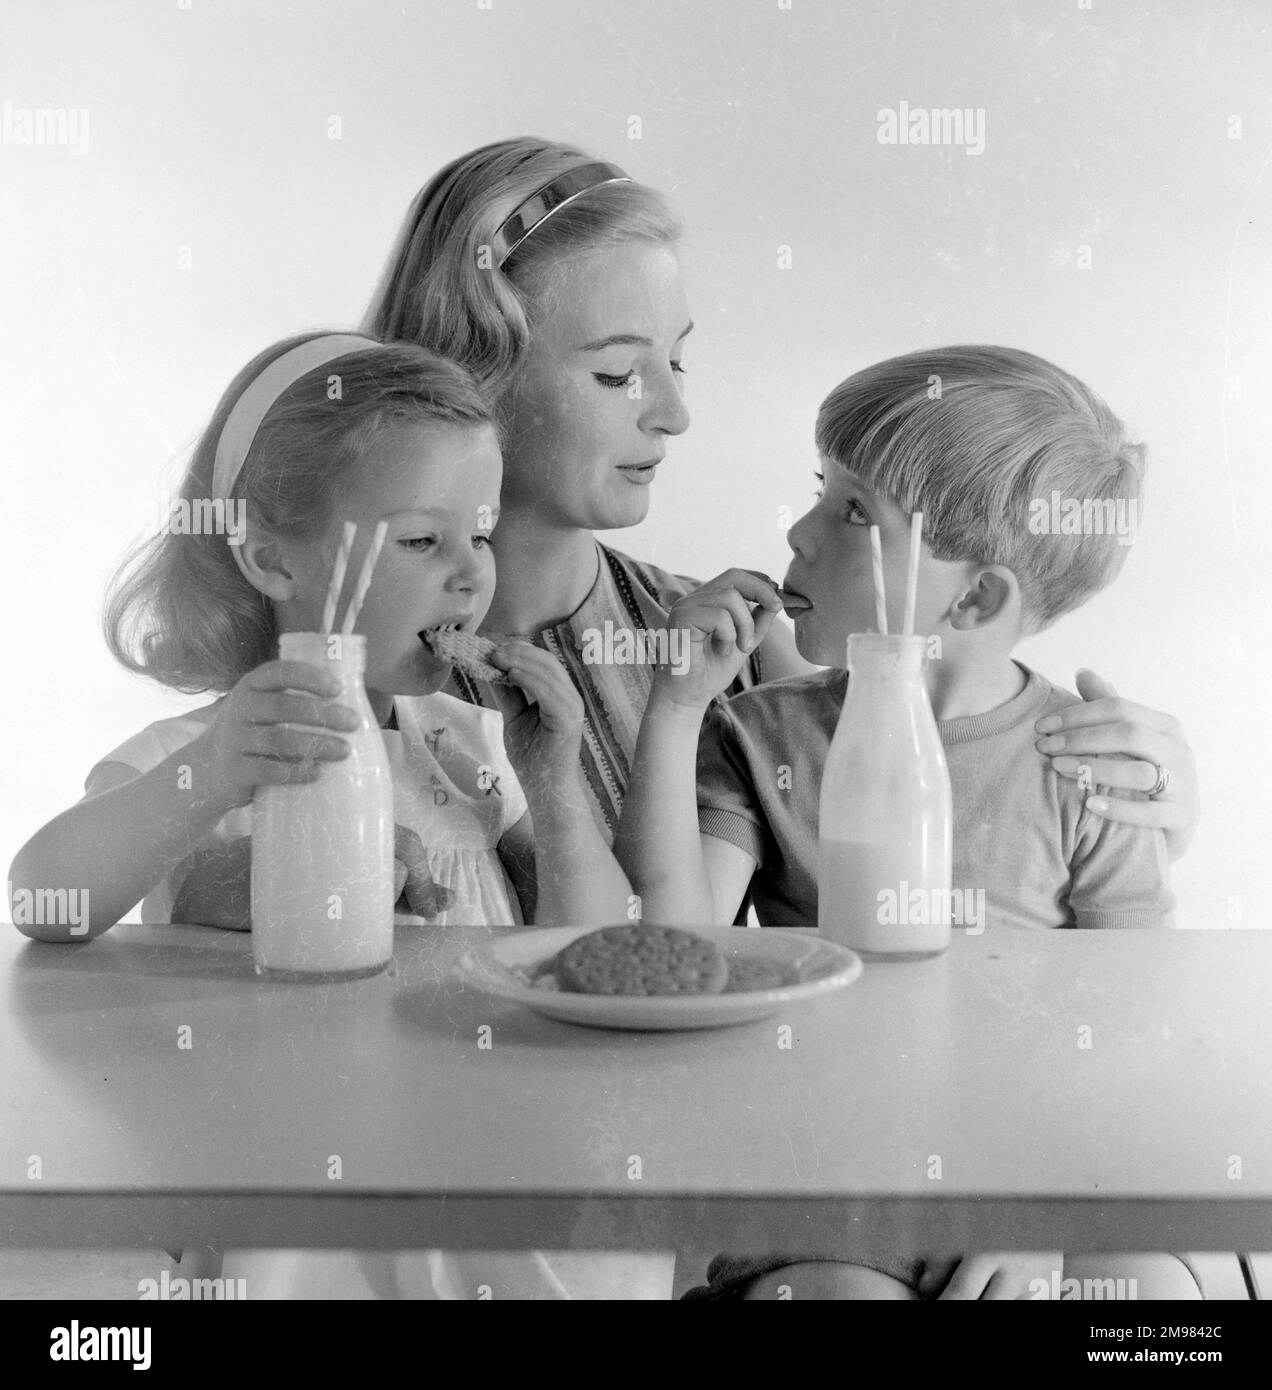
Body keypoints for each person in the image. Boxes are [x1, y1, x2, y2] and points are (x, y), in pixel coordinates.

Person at [8, 331, 665, 1299]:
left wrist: (559, 783)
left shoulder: (475, 750)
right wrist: (211, 775)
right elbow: (44, 897)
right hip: (285, 1167)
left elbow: (597, 954)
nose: (469, 574)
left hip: (480, 1149)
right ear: (272, 556)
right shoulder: (218, 750)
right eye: (421, 540)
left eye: (479, 534)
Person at [366, 138, 1200, 855]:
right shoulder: (341, 657)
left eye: (678, 360)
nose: (674, 413)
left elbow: (948, 805)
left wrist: (1145, 810)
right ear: (470, 374)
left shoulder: (735, 656)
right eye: (619, 372)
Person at [614, 344, 1201, 1298]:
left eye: (854, 512)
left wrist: (1046, 1220)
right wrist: (675, 709)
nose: (799, 534)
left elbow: (1137, 1035)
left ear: (974, 596)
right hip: (826, 1188)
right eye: (821, 490)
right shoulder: (757, 735)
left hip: (1036, 1170)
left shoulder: (1087, 760)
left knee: (1154, 1311)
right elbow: (680, 940)